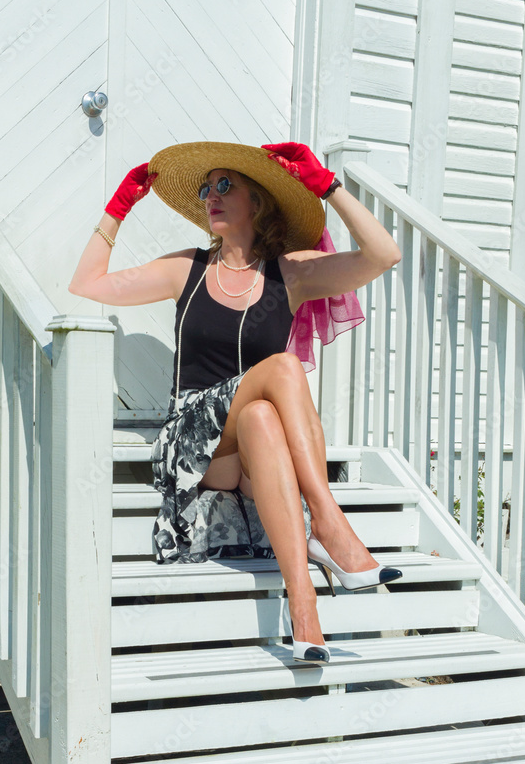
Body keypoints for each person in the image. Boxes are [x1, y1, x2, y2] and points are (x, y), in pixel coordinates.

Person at [69, 140, 403, 664]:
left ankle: (305, 606)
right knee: (284, 366)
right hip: (191, 444)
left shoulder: (290, 273)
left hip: (245, 451)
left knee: (262, 416)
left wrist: (328, 187)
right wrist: (119, 207)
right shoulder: (188, 268)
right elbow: (87, 284)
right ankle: (328, 519)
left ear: (259, 201)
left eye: (226, 185)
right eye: (206, 188)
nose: (210, 196)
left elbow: (385, 255)